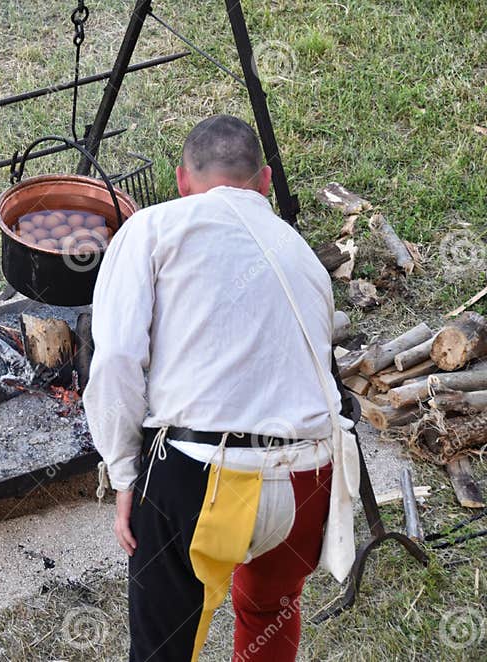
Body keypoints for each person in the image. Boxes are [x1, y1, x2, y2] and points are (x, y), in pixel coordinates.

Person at [83, 115, 357, 662]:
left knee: (164, 647)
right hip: (311, 474)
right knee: (268, 615)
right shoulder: (303, 255)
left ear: (182, 180)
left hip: (205, 475)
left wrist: (123, 474)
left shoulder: (152, 228)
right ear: (263, 182)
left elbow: (114, 359)